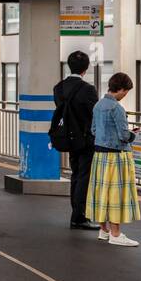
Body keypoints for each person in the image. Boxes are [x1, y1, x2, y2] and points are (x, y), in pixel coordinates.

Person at [86, 73, 140, 246]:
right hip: (116, 156)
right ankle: (116, 235)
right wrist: (133, 135)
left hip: (99, 155)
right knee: (116, 194)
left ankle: (104, 231)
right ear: (121, 89)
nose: (126, 95)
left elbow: (94, 130)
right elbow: (124, 135)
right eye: (126, 92)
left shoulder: (98, 105)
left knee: (102, 193)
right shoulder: (117, 108)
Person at [52, 51, 101, 231]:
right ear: (85, 69)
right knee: (84, 177)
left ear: (69, 66)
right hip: (86, 140)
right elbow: (94, 115)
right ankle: (79, 217)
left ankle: (77, 214)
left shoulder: (58, 88)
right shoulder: (88, 89)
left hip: (68, 138)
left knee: (75, 174)